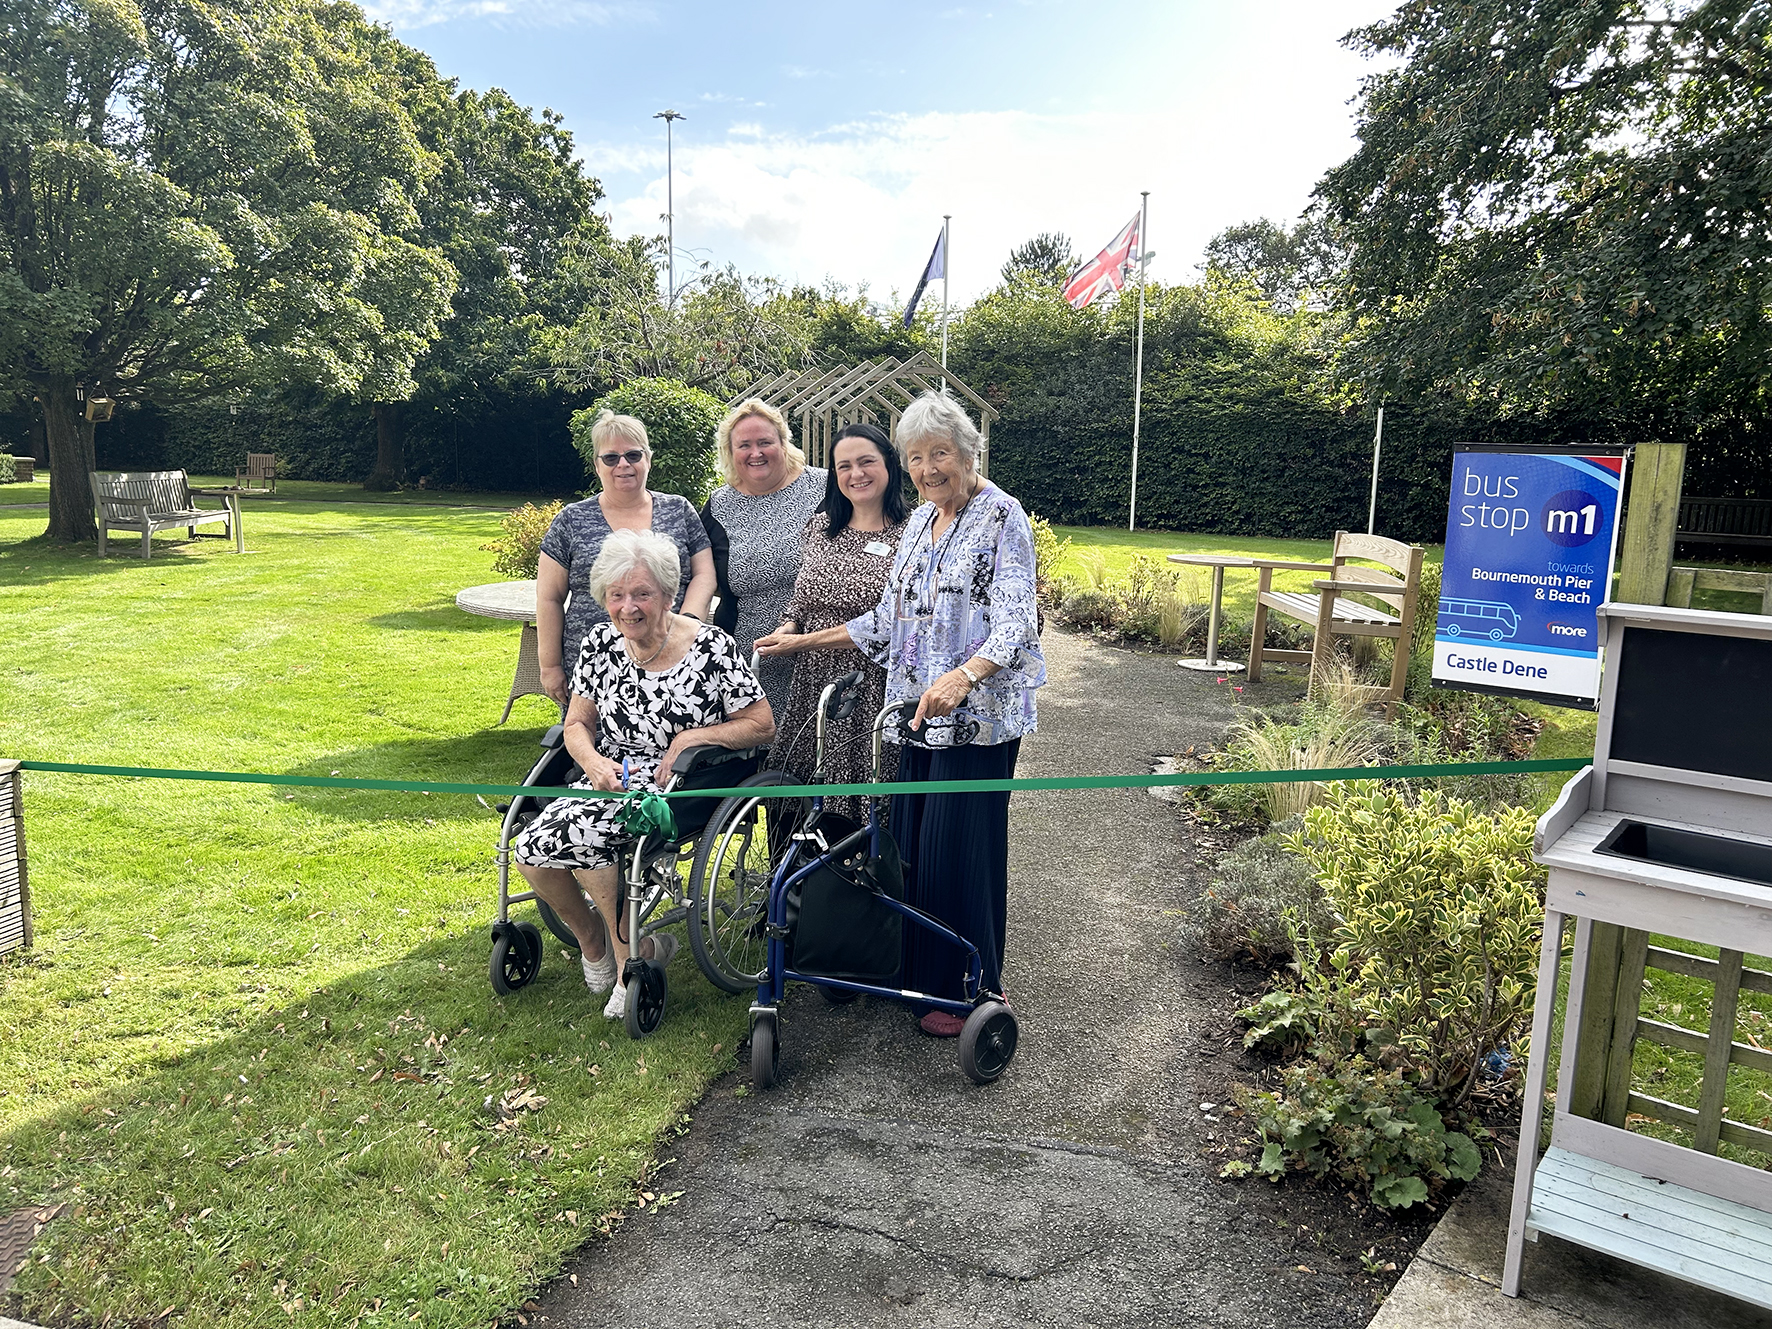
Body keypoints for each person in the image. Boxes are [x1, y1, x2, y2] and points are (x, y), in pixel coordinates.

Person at [756, 391, 1045, 1036]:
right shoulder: (917, 526)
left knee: (957, 849)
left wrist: (965, 675)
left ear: (968, 453)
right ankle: (919, 973)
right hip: (911, 712)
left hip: (978, 719)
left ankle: (971, 986)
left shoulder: (1004, 519)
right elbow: (891, 618)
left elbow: (1016, 620)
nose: (927, 468)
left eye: (940, 453)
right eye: (916, 457)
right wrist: (804, 640)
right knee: (912, 844)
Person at [512, 528, 775, 1020]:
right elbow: (576, 723)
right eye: (616, 595)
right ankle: (598, 943)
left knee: (589, 842)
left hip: (682, 785)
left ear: (669, 594)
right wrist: (591, 762)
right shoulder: (600, 644)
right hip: (606, 780)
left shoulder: (712, 647)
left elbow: (762, 725)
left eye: (642, 594)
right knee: (528, 850)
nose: (628, 607)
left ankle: (629, 956)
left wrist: (691, 739)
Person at [753, 423, 911, 814]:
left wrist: (802, 641)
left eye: (866, 462)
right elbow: (802, 600)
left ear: (889, 465)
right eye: (844, 466)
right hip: (812, 682)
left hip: (871, 684)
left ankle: (854, 876)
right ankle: (793, 876)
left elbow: (892, 622)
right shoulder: (821, 527)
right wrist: (789, 625)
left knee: (861, 798)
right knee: (795, 795)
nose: (856, 474)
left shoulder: (914, 534)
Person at [536, 410, 715, 709]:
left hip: (672, 657)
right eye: (611, 458)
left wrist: (686, 626)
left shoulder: (679, 510)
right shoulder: (571, 519)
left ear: (648, 459)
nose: (623, 465)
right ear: (597, 465)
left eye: (633, 455)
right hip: (594, 662)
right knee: (590, 743)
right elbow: (549, 597)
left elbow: (704, 574)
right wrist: (550, 666)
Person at [700, 399, 827, 718]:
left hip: (819, 657)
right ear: (730, 451)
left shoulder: (828, 490)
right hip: (746, 665)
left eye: (765, 442)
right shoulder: (718, 506)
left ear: (783, 443)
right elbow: (700, 579)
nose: (755, 453)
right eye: (744, 445)